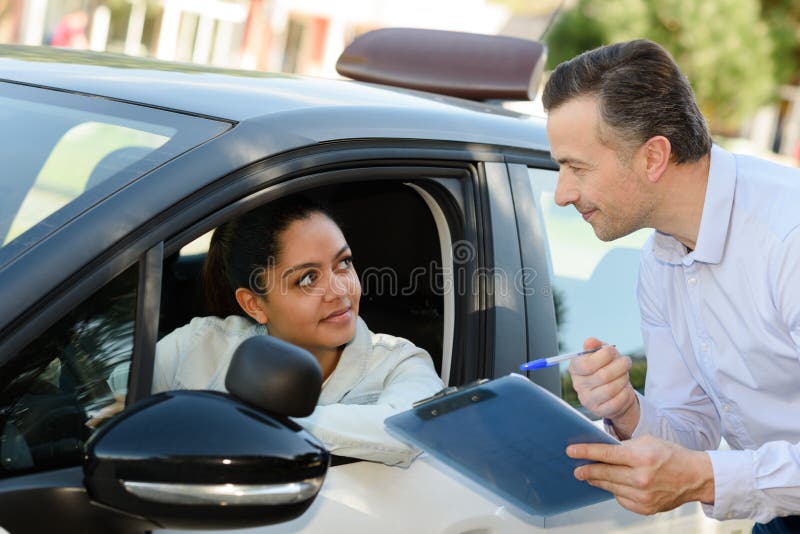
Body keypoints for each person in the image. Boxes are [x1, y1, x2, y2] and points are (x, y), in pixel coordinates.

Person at [542, 39, 800, 532]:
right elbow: (693, 429)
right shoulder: (659, 262)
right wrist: (627, 410)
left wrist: (707, 479)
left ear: (654, 157)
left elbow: (702, 467)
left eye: (576, 167)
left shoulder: (790, 238)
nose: (562, 194)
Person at [100, 196, 443, 467]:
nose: (340, 290)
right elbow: (112, 401)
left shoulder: (400, 363)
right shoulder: (199, 345)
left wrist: (233, 419)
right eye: (308, 278)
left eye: (344, 263)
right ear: (254, 305)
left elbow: (410, 432)